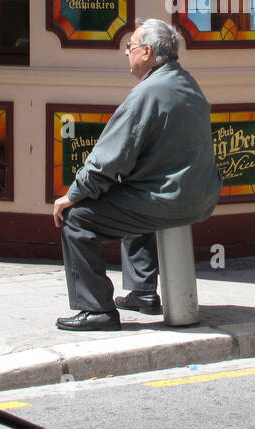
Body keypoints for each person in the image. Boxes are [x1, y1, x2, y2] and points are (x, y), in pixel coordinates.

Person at [52, 18, 221, 330]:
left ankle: (97, 310)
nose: (126, 54)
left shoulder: (147, 93)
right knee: (129, 194)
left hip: (169, 200)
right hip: (200, 196)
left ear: (146, 52)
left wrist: (71, 196)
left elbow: (106, 161)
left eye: (128, 47)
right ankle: (142, 291)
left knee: (77, 219)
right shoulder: (187, 83)